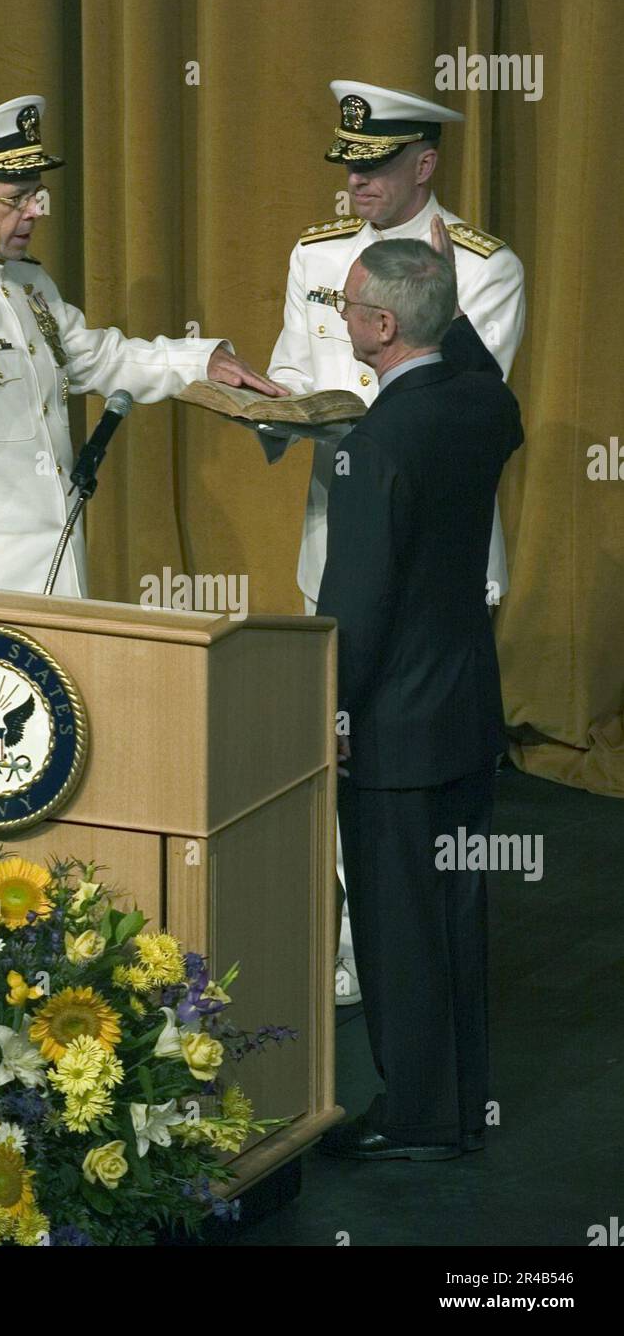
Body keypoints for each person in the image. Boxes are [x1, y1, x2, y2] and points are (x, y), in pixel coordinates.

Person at [266, 80, 526, 1003]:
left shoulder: (482, 266)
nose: (356, 180)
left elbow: (458, 409)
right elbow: (296, 366)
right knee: (339, 748)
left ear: (425, 164)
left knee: (413, 761)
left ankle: (421, 950)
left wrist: (360, 427)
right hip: (337, 537)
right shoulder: (315, 253)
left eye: (375, 166)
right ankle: (351, 934)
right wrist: (277, 408)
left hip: (432, 558)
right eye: (348, 162)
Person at [0, 95, 283, 595]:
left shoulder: (30, 285)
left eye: (37, 195)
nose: (34, 212)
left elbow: (99, 357)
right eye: (16, 198)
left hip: (59, 570)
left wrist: (200, 359)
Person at [315, 236, 523, 1159]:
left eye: (351, 307)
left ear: (384, 326)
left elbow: (357, 605)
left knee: (398, 927)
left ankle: (417, 1116)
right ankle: (462, 1102)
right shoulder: (482, 405)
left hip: (393, 730)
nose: (344, 319)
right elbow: (487, 380)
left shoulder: (377, 443)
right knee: (455, 920)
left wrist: (333, 712)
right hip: (465, 710)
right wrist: (449, 297)